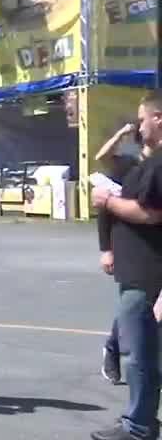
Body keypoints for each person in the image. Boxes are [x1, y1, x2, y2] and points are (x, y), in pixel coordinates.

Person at [89, 90, 162, 440]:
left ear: (158, 119)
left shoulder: (159, 164)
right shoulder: (144, 163)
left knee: (140, 355)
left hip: (148, 273)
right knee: (140, 352)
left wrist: (109, 202)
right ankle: (140, 416)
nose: (139, 125)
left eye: (142, 119)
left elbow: (152, 214)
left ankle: (140, 426)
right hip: (137, 271)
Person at [95, 122, 149, 385]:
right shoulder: (127, 165)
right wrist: (106, 249)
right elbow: (104, 209)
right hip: (132, 246)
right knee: (135, 304)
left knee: (141, 306)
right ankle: (114, 350)